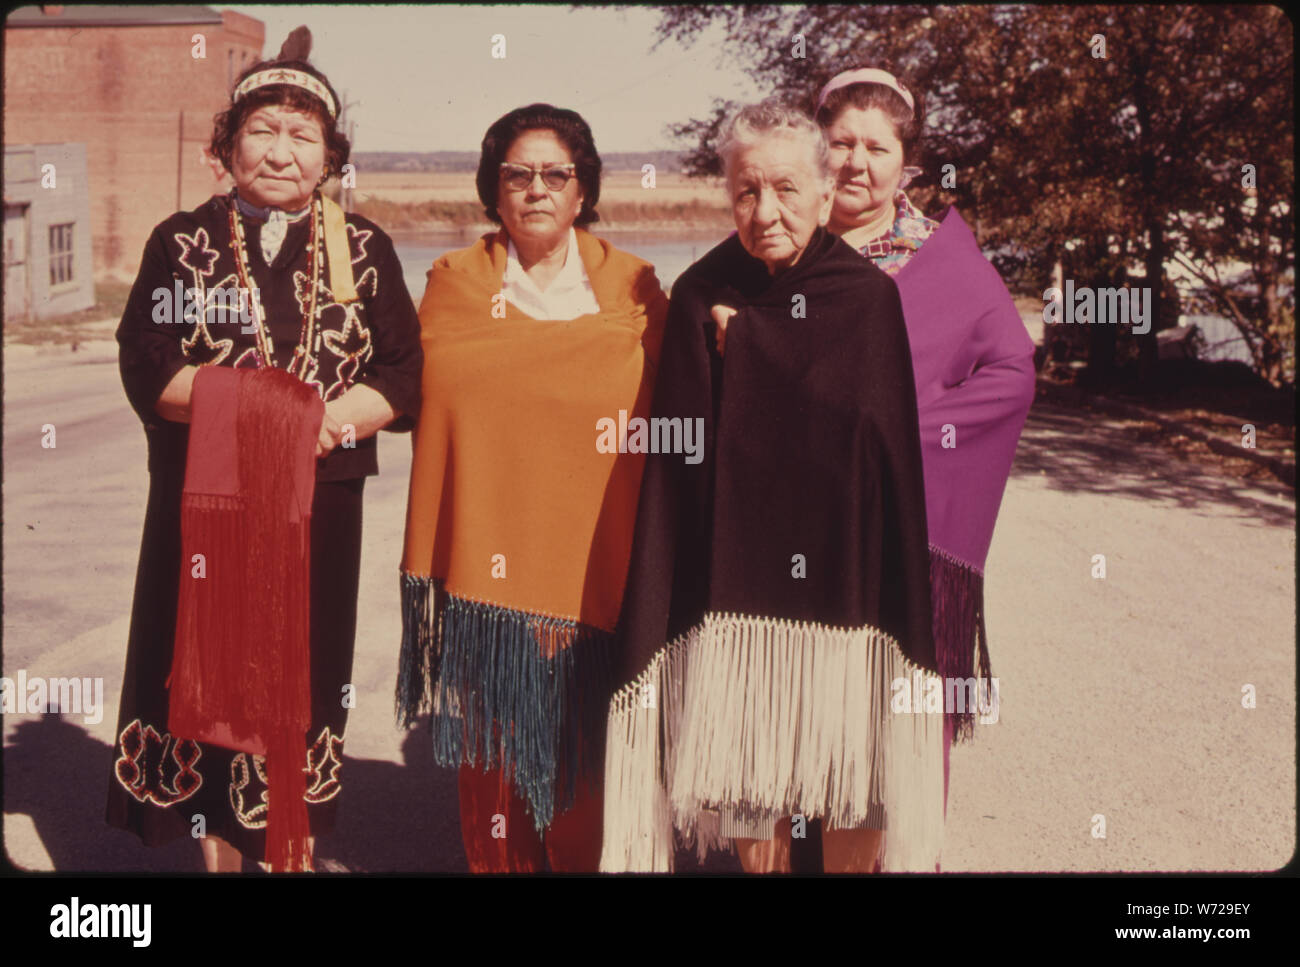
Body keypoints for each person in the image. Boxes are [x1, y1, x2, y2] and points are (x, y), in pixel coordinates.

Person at [600, 100, 945, 874]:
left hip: (849, 578)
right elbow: (679, 459)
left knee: (856, 769)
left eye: (786, 189)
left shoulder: (866, 298)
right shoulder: (700, 293)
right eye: (746, 191)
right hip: (738, 585)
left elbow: (871, 444)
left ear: (827, 195)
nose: (766, 211)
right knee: (752, 765)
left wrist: (753, 344)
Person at [107, 30, 422, 872]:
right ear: (227, 145)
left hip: (319, 509)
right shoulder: (181, 243)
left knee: (302, 674)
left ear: (329, 159)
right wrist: (267, 416)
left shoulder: (367, 251)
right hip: (205, 509)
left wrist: (316, 423)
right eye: (263, 131)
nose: (282, 152)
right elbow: (150, 366)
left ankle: (289, 849)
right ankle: (218, 856)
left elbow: (401, 376)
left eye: (304, 136)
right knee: (204, 673)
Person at [396, 103, 668, 872]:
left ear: (584, 192)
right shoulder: (454, 284)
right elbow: (429, 394)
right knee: (496, 767)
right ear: (495, 189)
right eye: (518, 174)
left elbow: (685, 400)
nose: (537, 189)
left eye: (557, 174)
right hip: (490, 575)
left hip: (596, 572)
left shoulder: (635, 290)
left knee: (586, 769)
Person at [815, 67, 1036, 822]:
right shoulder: (781, 246)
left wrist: (906, 439)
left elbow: (1011, 372)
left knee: (899, 705)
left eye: (877, 147)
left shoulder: (945, 262)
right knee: (803, 702)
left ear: (905, 163)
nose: (855, 162)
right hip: (799, 525)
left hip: (902, 525)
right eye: (841, 141)